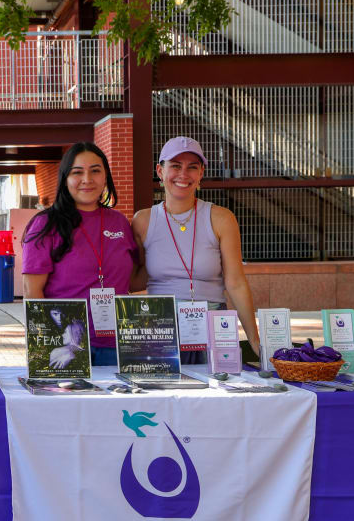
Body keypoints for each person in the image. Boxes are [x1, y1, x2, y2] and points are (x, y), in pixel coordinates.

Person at [132, 136, 260, 363]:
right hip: (160, 328)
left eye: (192, 167)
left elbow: (236, 283)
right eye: (175, 166)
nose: (183, 174)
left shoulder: (221, 218)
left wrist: (255, 341)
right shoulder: (143, 221)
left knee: (219, 393)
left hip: (214, 326)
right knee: (162, 396)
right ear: (160, 171)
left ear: (201, 174)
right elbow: (135, 279)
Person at [22, 142, 142, 367]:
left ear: (105, 177)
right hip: (68, 346)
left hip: (117, 344)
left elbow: (133, 280)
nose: (87, 179)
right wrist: (47, 346)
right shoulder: (45, 224)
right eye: (77, 172)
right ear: (65, 179)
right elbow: (32, 292)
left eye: (95, 171)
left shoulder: (120, 222)